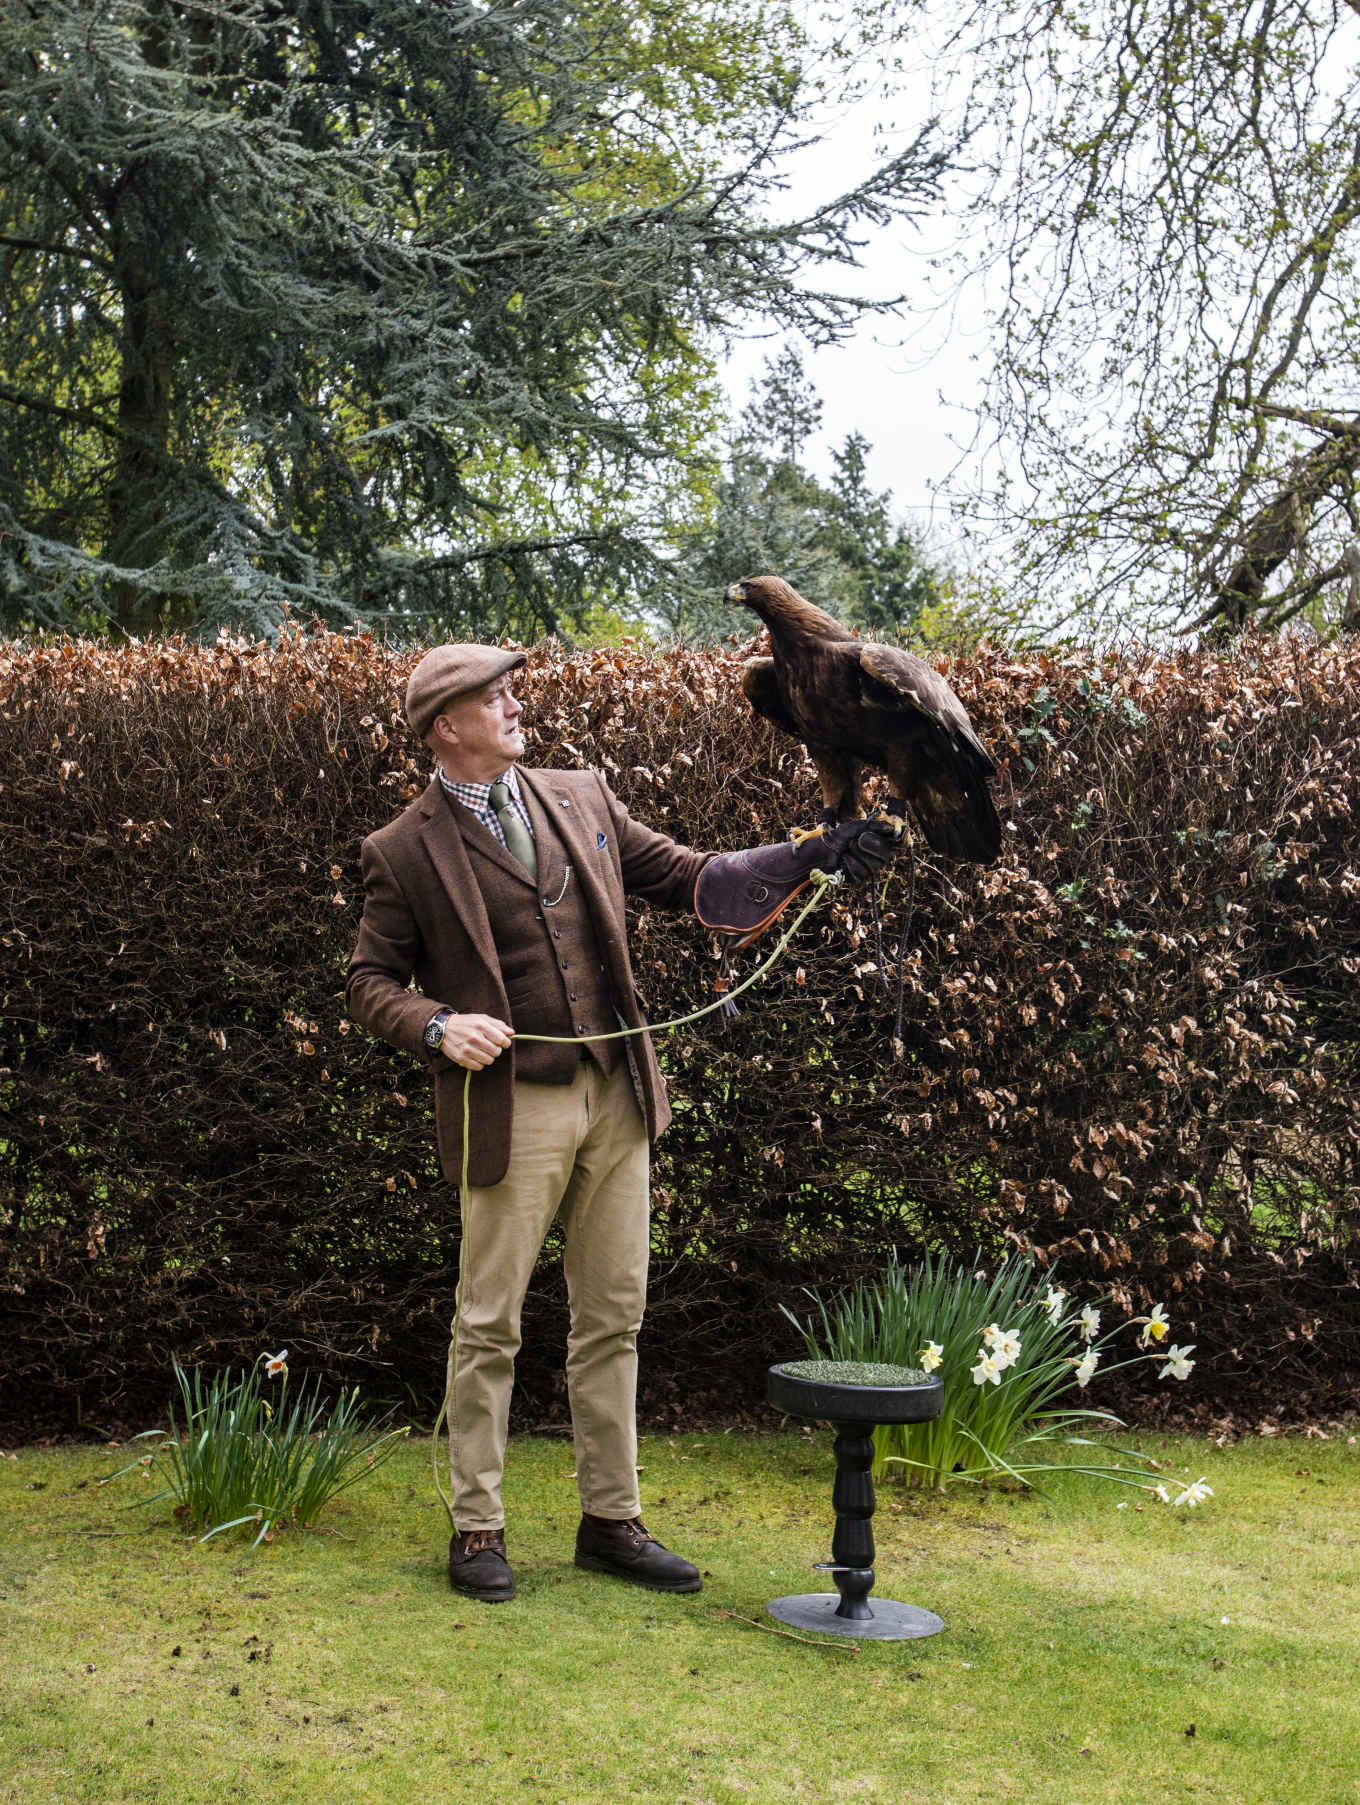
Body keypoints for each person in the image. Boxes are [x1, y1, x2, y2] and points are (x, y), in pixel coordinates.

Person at [346, 643, 891, 1603]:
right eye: (493, 696)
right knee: (490, 1323)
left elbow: (692, 879)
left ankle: (611, 1520)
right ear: (446, 726)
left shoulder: (580, 795)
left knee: (614, 1318)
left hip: (617, 1096)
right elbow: (368, 983)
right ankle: (477, 1528)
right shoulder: (402, 849)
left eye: (511, 691)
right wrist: (436, 1023)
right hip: (512, 1109)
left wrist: (809, 853)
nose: (516, 705)